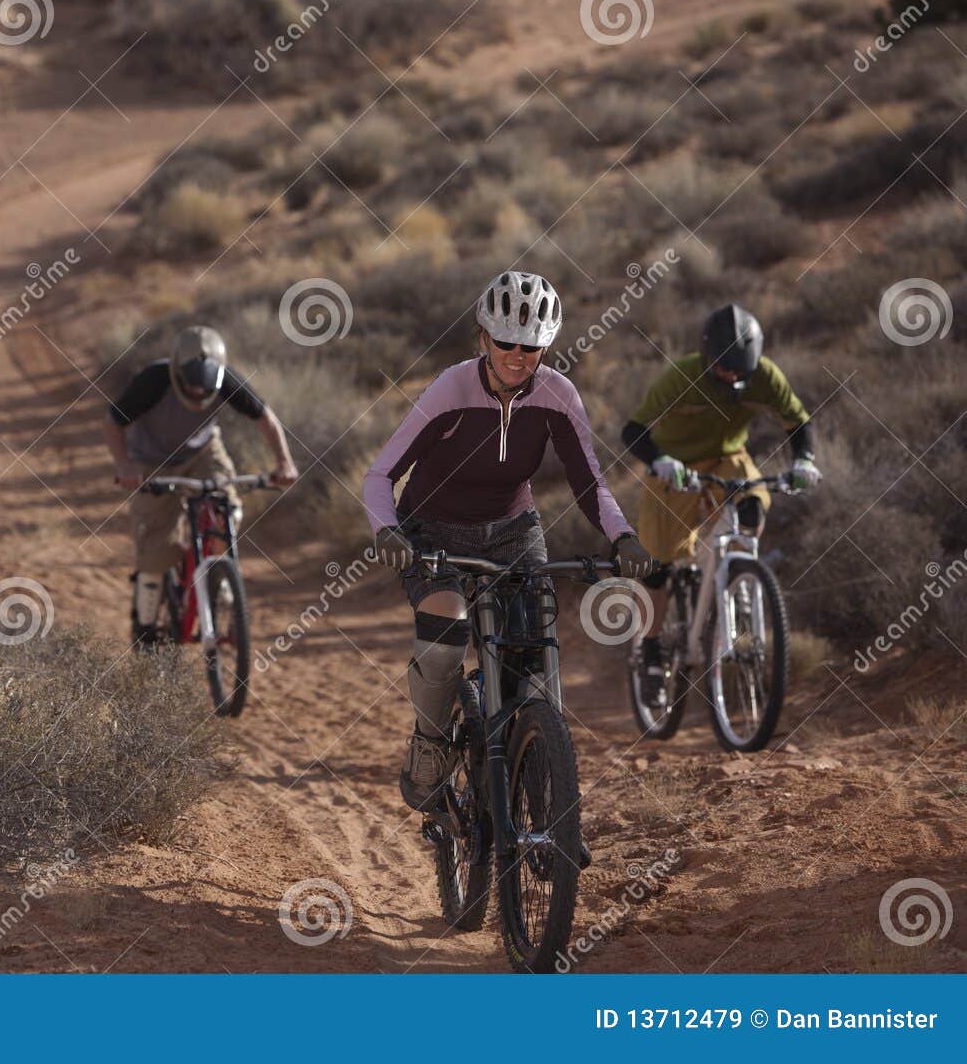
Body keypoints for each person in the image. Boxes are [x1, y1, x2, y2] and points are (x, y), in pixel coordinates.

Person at [363, 272, 654, 812]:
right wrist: (388, 531)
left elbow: (590, 484)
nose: (520, 357)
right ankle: (430, 745)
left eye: (533, 346)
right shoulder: (451, 389)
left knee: (535, 654)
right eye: (508, 344)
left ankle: (550, 802)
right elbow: (380, 476)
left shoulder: (558, 396)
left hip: (514, 530)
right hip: (431, 530)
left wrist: (624, 536)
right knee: (447, 627)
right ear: (483, 340)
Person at [620, 304, 820, 702]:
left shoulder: (764, 376)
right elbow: (633, 429)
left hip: (728, 459)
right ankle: (653, 650)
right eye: (724, 368)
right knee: (657, 563)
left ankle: (739, 576)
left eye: (741, 370)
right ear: (708, 358)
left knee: (753, 502)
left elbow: (797, 421)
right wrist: (660, 459)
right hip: (674, 467)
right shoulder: (681, 375)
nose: (733, 377)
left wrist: (804, 461)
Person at [105, 326, 299, 646]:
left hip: (204, 451)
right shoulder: (154, 380)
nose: (198, 393)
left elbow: (265, 418)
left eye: (204, 388)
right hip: (152, 461)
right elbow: (113, 422)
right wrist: (124, 465)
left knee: (229, 510)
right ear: (178, 372)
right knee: (155, 552)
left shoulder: (226, 379)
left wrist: (284, 462)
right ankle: (146, 626)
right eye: (191, 386)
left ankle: (222, 586)